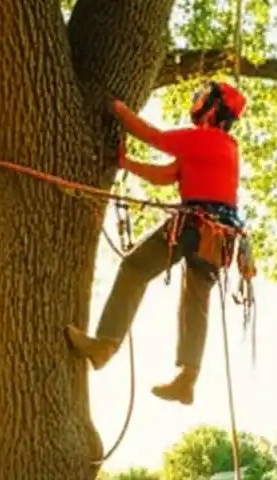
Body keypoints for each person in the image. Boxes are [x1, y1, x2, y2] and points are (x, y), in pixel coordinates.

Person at [65, 79, 246, 405]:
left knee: (135, 267)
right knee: (195, 300)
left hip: (197, 224)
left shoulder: (208, 139)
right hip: (217, 236)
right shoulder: (218, 147)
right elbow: (165, 177)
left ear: (213, 107)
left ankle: (106, 345)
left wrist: (117, 108)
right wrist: (125, 163)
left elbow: (156, 137)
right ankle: (187, 379)